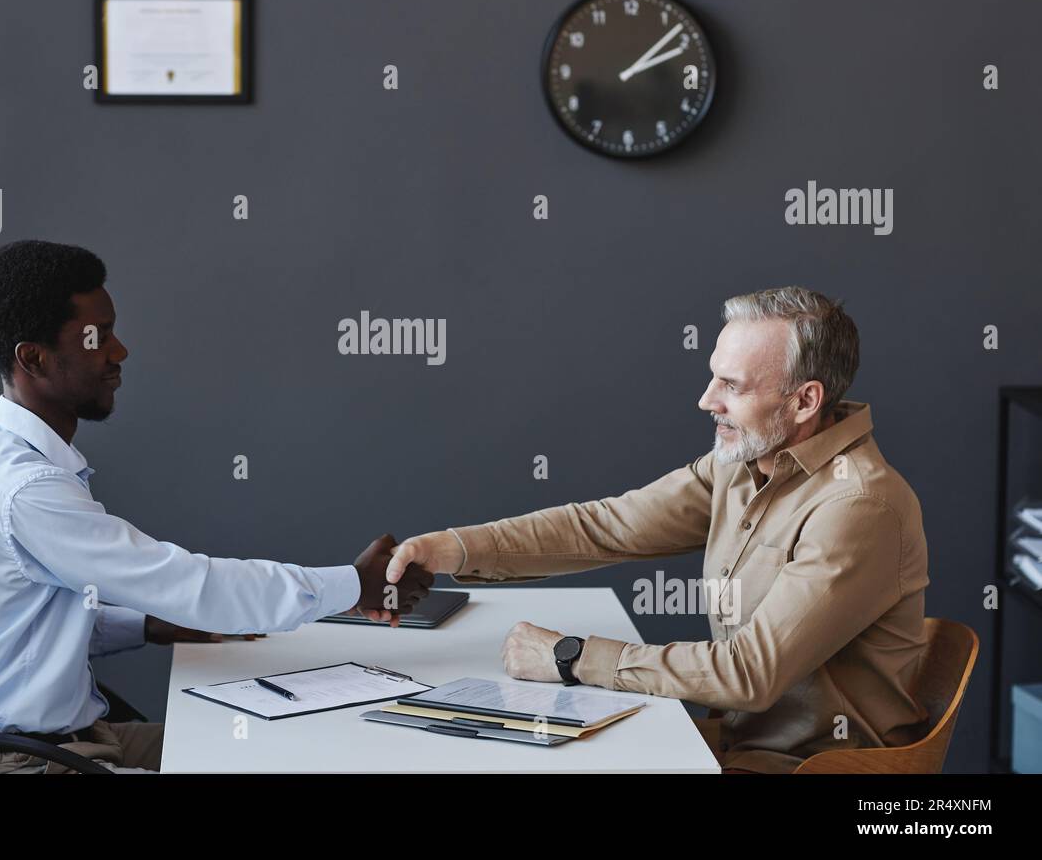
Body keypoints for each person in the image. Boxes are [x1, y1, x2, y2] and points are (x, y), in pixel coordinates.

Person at [0, 240, 432, 773]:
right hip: (19, 763)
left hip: (67, 739)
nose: (119, 351)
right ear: (34, 356)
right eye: (97, 337)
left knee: (277, 751)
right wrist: (355, 586)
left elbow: (33, 621)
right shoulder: (25, 490)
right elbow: (191, 586)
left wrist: (149, 624)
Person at [387, 286, 929, 773]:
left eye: (731, 386)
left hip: (805, 767)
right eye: (713, 375)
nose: (706, 400)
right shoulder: (742, 464)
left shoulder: (857, 504)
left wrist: (570, 656)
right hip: (728, 742)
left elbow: (748, 674)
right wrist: (451, 549)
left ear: (805, 400)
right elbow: (604, 527)